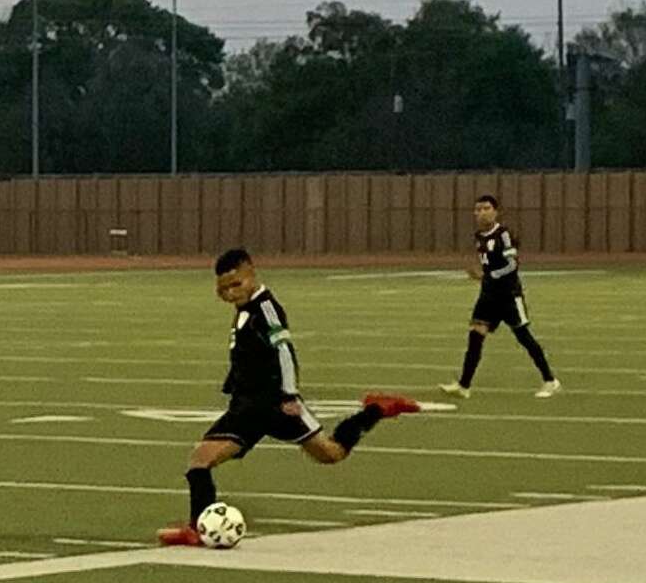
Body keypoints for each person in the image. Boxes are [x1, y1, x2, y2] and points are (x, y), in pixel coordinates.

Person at [158, 248, 420, 546]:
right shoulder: (245, 310)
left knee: (331, 454)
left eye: (236, 285)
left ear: (252, 273)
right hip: (247, 406)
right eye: (223, 289)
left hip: (276, 404)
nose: (231, 293)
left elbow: (283, 352)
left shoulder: (266, 308)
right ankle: (198, 527)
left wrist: (290, 394)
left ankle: (374, 410)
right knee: (200, 459)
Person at [440, 194, 560, 400]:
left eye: (486, 208)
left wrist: (487, 275)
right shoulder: (480, 237)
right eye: (477, 209)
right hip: (488, 296)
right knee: (475, 337)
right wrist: (482, 279)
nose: (481, 213)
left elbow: (512, 265)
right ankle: (464, 386)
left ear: (495, 211)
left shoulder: (503, 234)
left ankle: (550, 380)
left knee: (524, 337)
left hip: (508, 295)